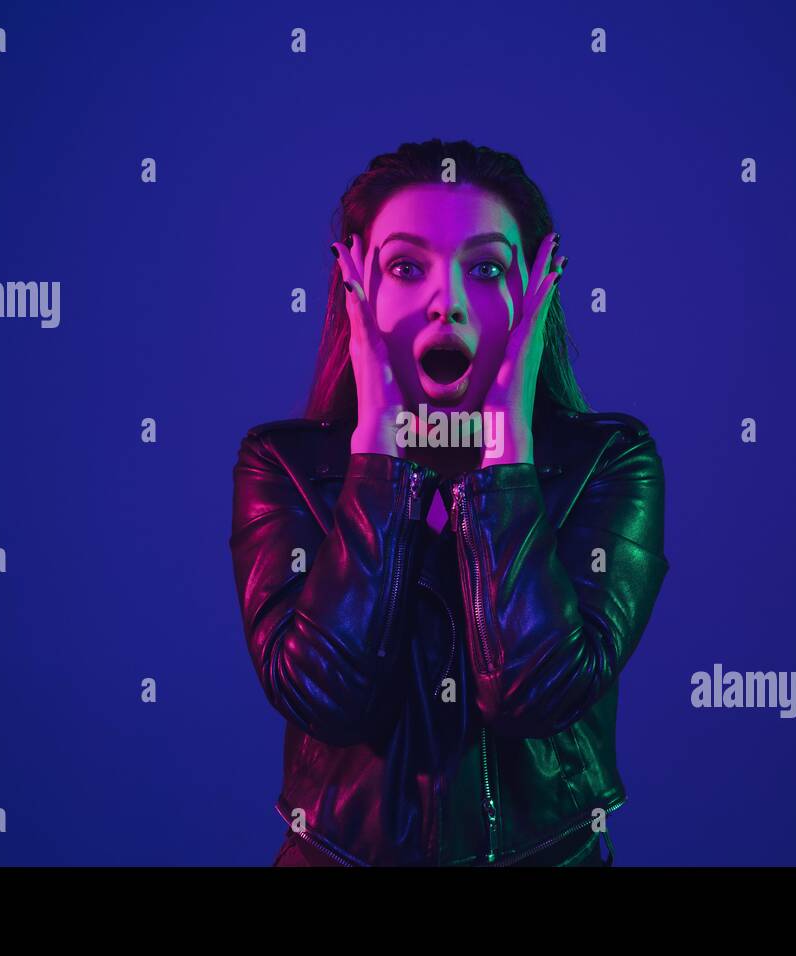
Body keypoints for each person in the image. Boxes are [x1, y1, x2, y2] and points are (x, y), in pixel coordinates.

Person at [229, 139, 669, 866]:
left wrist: (506, 451)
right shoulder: (282, 466)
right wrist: (377, 447)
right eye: (406, 267)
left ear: (535, 291)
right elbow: (326, 698)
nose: (448, 302)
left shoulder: (610, 462)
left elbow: (534, 694)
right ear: (354, 289)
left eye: (487, 268)